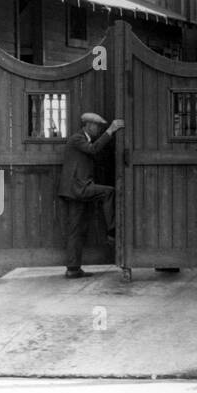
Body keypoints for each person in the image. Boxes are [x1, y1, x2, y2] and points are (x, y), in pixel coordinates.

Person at [58, 112, 124, 278]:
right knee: (108, 192)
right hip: (78, 189)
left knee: (76, 230)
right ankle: (112, 231)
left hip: (76, 191)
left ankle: (73, 269)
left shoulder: (83, 139)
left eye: (101, 127)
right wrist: (111, 130)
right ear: (88, 125)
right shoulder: (77, 139)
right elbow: (93, 150)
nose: (99, 129)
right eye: (97, 126)